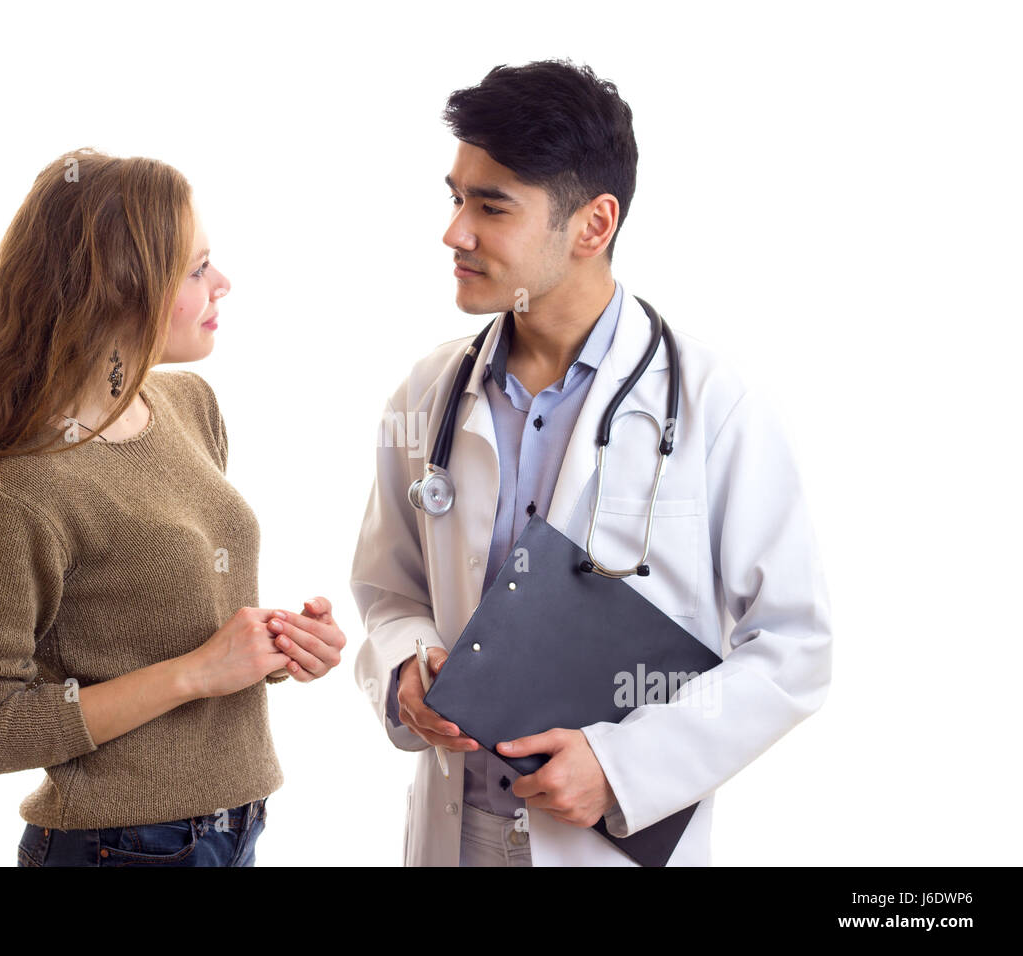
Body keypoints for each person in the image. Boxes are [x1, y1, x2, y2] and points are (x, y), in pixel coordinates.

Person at [351, 60, 832, 866]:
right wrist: (405, 666)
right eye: (455, 195)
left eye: (490, 205)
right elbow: (387, 590)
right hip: (455, 834)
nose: (454, 232)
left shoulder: (714, 405)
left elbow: (794, 647)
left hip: (600, 840)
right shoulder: (430, 394)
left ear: (593, 225)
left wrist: (623, 768)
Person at [0, 147, 346, 867]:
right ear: (122, 288)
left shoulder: (188, 407)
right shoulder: (24, 493)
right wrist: (195, 673)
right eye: (198, 268)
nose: (225, 284)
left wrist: (276, 646)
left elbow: (155, 615)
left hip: (234, 829)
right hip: (121, 849)